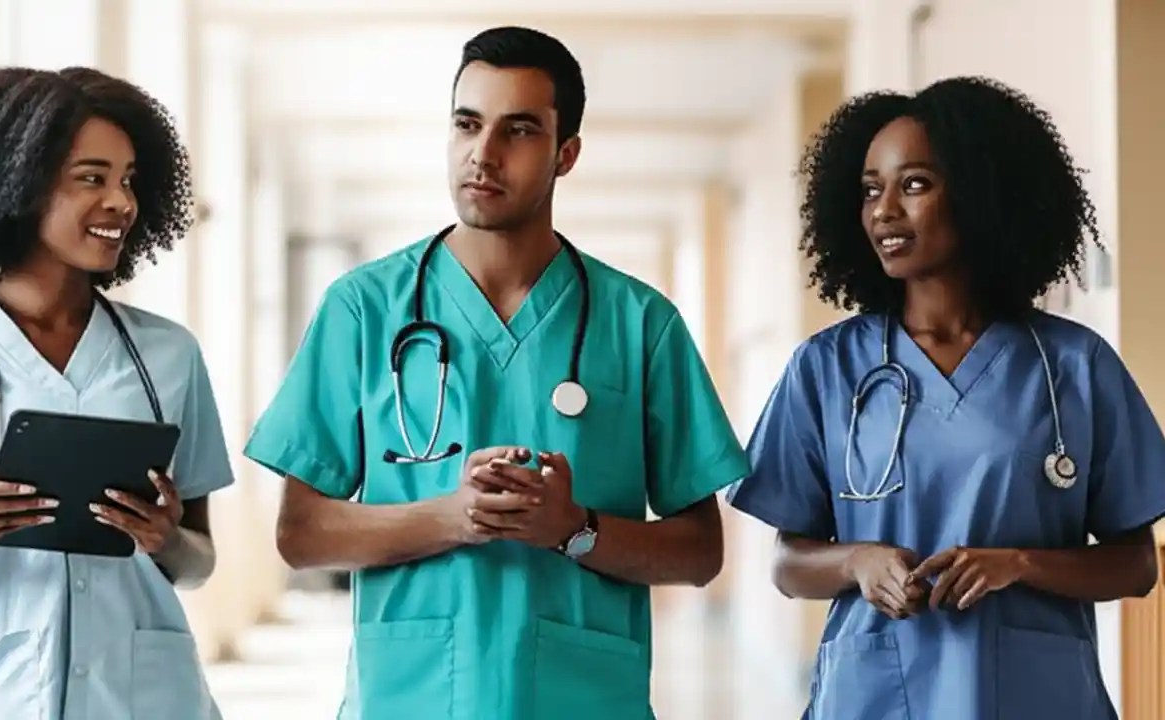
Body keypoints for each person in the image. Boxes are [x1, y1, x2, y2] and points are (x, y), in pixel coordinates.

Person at [244, 26, 749, 720]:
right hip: (411, 699)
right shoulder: (362, 310)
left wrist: (574, 529)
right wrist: (454, 518)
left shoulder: (639, 324)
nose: (484, 154)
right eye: (467, 124)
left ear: (565, 154)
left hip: (581, 700)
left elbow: (699, 552)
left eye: (518, 130)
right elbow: (301, 535)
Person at [724, 75, 1165, 720]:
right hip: (874, 695)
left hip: (1034, 696)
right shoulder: (826, 367)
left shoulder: (1072, 364)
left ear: (982, 193)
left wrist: (1019, 564)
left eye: (915, 184)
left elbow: (1135, 566)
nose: (884, 211)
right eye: (871, 189)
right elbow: (788, 564)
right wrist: (858, 560)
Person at [0, 66, 233, 719]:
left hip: (145, 699)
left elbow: (198, 561)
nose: (122, 203)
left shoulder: (170, 354)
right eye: (92, 178)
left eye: (129, 181)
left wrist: (165, 540)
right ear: (15, 182)